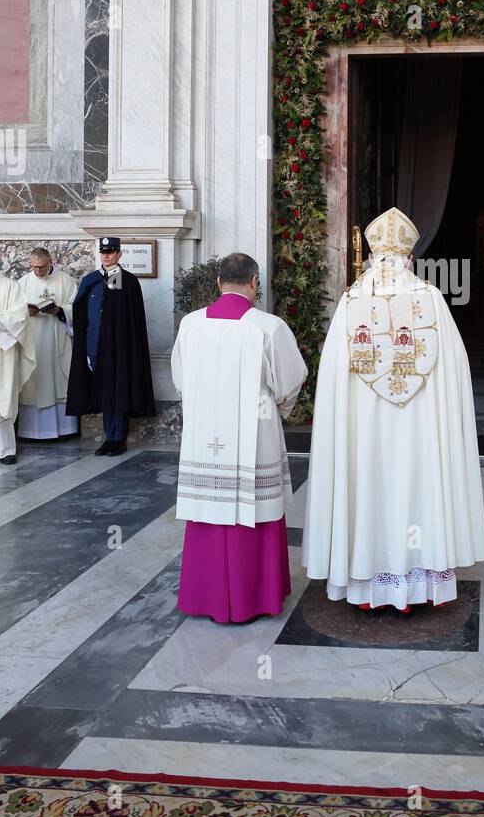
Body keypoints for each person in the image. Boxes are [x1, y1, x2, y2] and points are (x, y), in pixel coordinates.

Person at [302, 206, 484, 612]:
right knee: (419, 488)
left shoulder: (351, 301)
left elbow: (332, 374)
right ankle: (423, 581)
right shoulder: (432, 299)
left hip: (364, 433)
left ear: (372, 258)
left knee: (367, 490)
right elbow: (456, 369)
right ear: (408, 258)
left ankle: (369, 585)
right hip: (421, 430)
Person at [171, 251, 307, 624]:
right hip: (255, 437)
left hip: (204, 438)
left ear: (217, 282)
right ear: (254, 283)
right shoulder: (269, 327)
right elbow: (291, 379)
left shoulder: (191, 325)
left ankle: (205, 596)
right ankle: (255, 597)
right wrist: (279, 407)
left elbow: (181, 381)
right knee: (254, 508)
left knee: (207, 512)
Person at [66, 235, 156, 455]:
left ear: (119, 254)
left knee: (117, 389)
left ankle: (118, 438)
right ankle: (109, 437)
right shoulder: (90, 280)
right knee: (104, 390)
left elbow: (130, 318)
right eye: (103, 252)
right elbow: (81, 312)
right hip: (94, 344)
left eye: (111, 252)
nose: (106, 256)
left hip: (118, 347)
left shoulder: (127, 281)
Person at [17, 248, 79, 440]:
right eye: (34, 267)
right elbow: (13, 311)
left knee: (59, 377)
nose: (37, 271)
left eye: (41, 267)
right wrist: (26, 312)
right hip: (32, 340)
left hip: (57, 338)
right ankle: (31, 432)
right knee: (34, 380)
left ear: (50, 262)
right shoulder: (23, 282)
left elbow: (75, 306)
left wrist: (60, 311)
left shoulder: (65, 280)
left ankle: (64, 431)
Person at [0, 250, 35, 464]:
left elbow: (20, 315)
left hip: (0, 350)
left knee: (0, 394)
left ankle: (4, 450)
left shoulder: (10, 287)